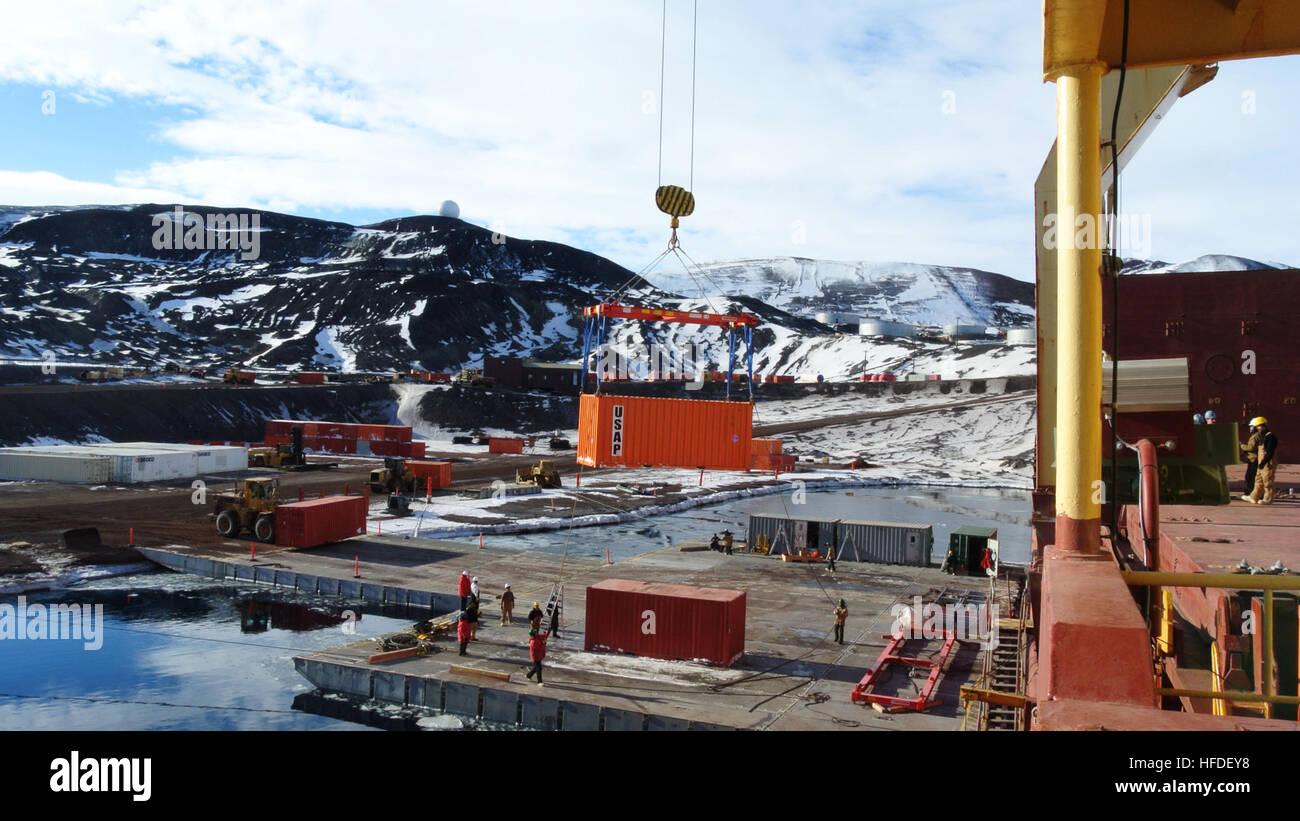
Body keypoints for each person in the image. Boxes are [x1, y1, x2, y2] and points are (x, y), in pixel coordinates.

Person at [1244, 418, 1280, 505]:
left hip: (1268, 463)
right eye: (1256, 426)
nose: (1257, 428)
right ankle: (1253, 497)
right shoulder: (1262, 436)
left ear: (1264, 426)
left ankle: (1268, 499)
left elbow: (1270, 452)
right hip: (1261, 463)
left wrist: (1264, 462)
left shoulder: (1270, 437)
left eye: (1259, 426)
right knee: (1258, 480)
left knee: (1267, 481)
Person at [1241, 420, 1263, 497]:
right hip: (1253, 459)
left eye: (1251, 427)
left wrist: (1241, 446)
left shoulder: (1255, 436)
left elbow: (1251, 447)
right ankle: (1250, 493)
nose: (1250, 428)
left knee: (1250, 477)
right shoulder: (1257, 435)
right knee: (1251, 476)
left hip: (1253, 460)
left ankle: (1251, 493)